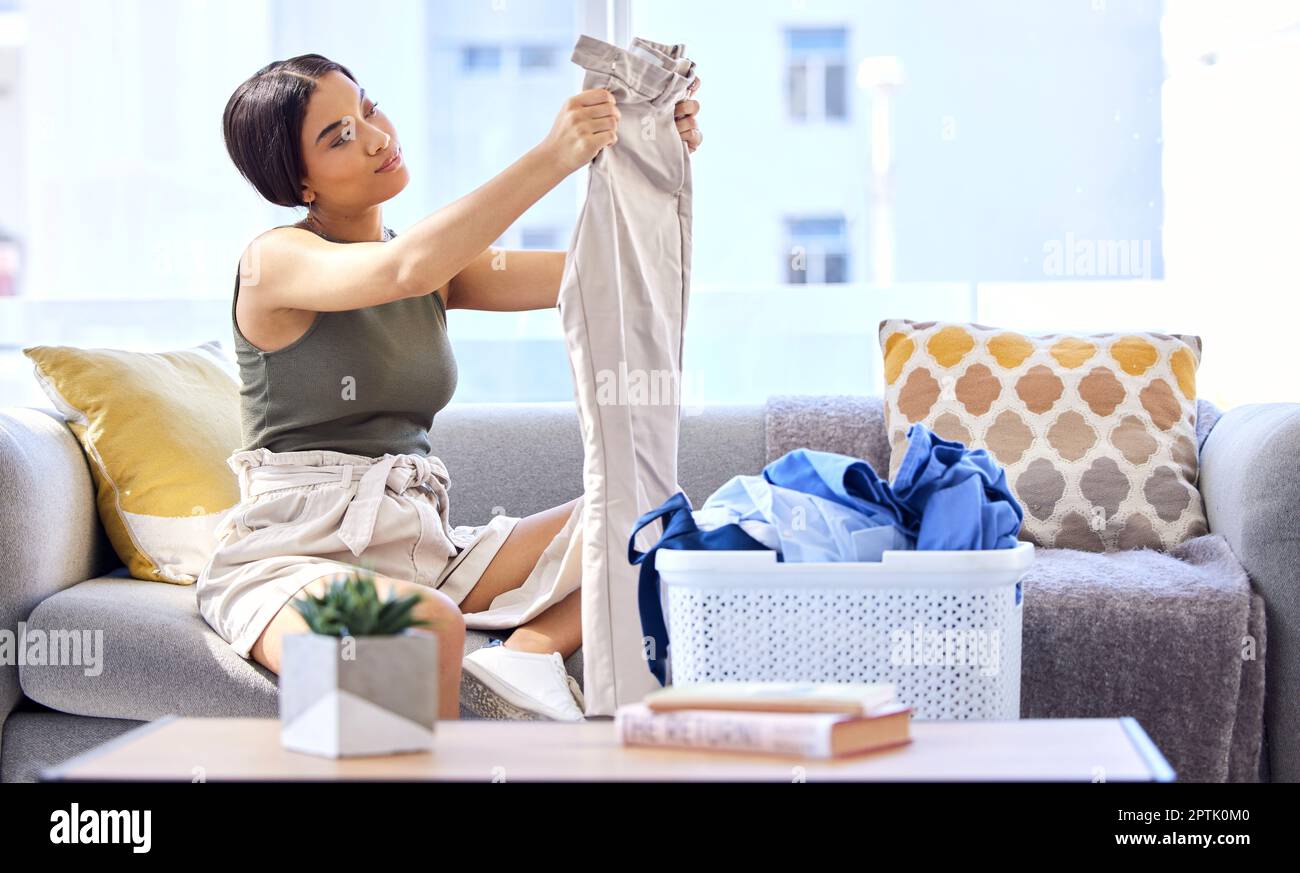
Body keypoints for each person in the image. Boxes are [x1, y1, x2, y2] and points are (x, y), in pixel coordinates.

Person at [204, 53, 702, 721]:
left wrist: (651, 148)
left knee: (653, 515)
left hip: (424, 545)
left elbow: (604, 273)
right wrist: (555, 154)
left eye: (368, 108)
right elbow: (403, 267)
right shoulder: (274, 261)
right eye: (340, 136)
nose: (377, 135)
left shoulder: (436, 267)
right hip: (296, 552)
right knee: (417, 627)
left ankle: (526, 651)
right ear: (300, 182)